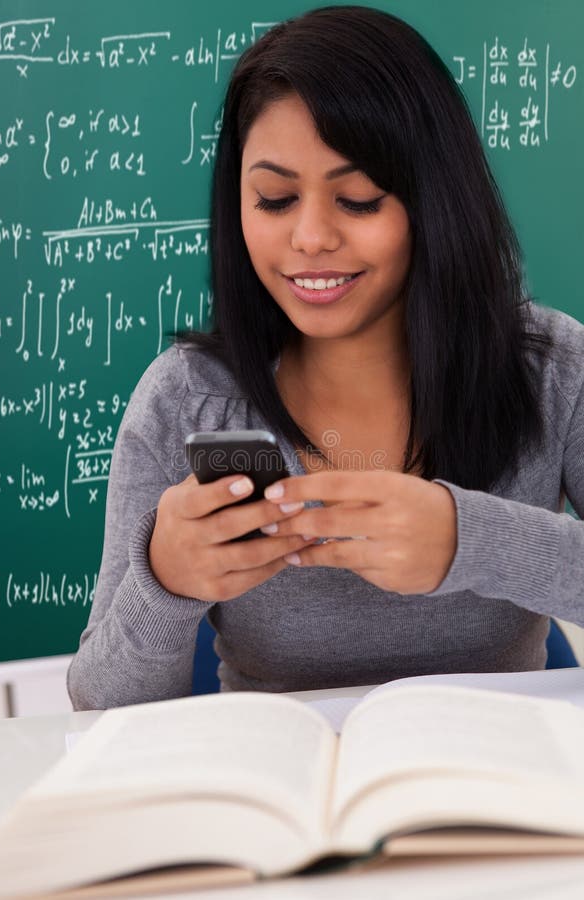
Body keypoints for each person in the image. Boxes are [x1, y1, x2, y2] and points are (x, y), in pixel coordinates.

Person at [68, 5, 584, 710]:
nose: (310, 237)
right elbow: (98, 708)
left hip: (494, 795)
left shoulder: (553, 370)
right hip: (275, 799)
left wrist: (472, 539)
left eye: (358, 199)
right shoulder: (182, 398)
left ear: (434, 201)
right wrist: (165, 579)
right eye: (275, 199)